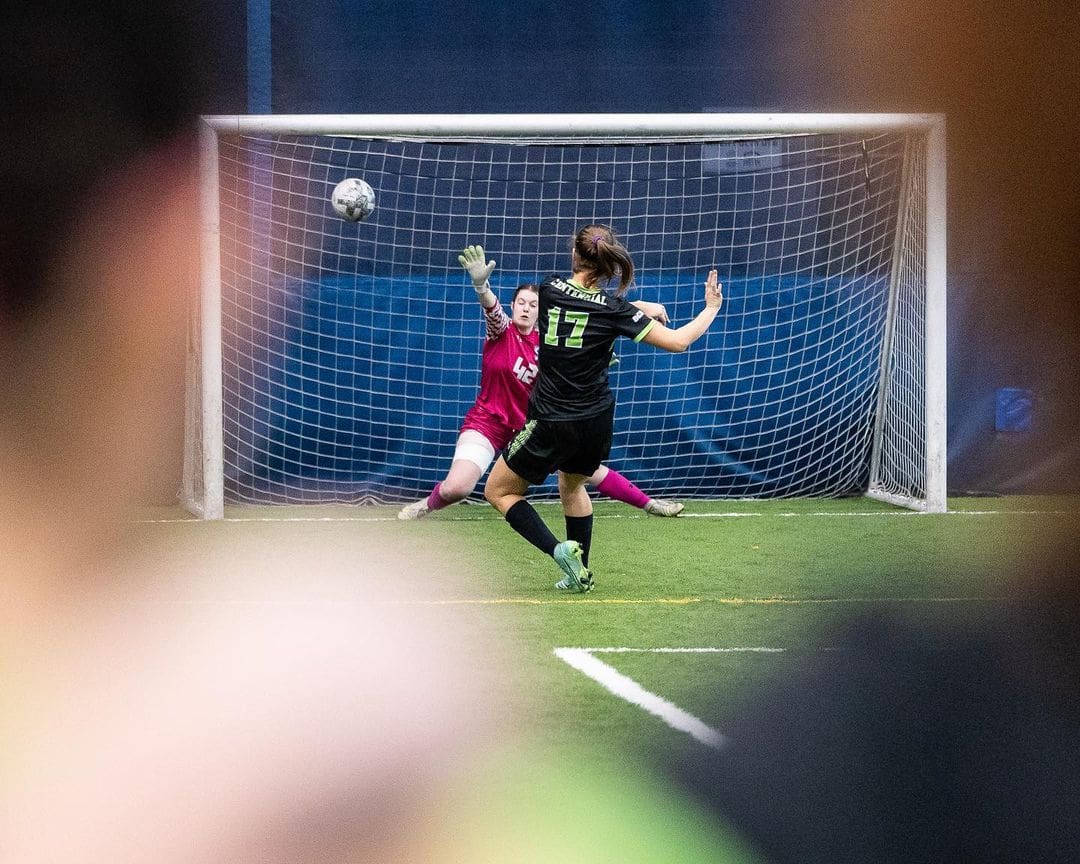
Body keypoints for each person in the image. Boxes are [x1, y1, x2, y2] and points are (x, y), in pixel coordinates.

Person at [480, 224, 723, 592]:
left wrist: (635, 310)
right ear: (609, 264)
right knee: (572, 486)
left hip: (551, 418)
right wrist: (710, 308)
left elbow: (584, 310)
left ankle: (558, 550)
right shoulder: (614, 310)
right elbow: (677, 342)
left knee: (499, 491)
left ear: (575, 255)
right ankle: (579, 573)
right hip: (594, 421)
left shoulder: (549, 288)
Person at [397, 254, 685, 521]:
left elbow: (599, 312)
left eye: (533, 305)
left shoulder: (551, 343)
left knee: (587, 470)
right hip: (489, 422)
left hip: (532, 425)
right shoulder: (502, 331)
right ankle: (427, 504)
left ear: (543, 310)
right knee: (457, 488)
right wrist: (482, 287)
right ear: (512, 306)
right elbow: (492, 308)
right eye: (521, 302)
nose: (526, 308)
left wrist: (636, 314)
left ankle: (650, 504)